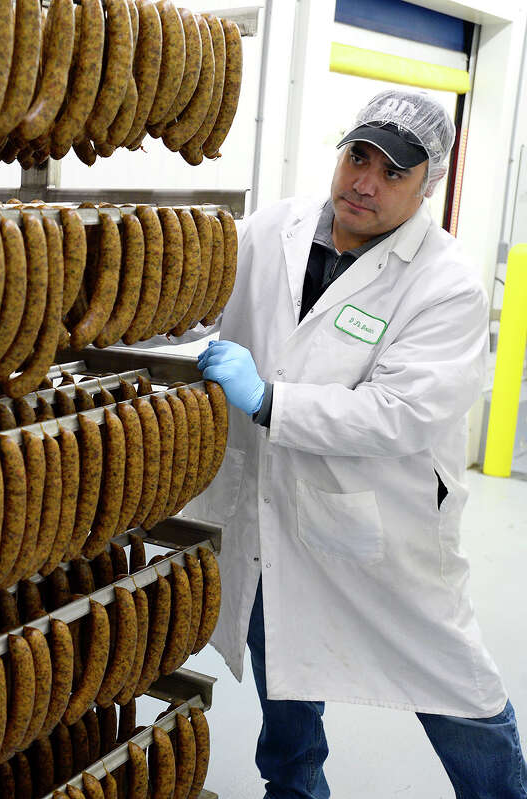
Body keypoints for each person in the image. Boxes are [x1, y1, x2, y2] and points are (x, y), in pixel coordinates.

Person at [194, 89, 527, 798]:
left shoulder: (446, 283)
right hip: (268, 504)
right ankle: (293, 789)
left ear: (428, 183)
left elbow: (398, 414)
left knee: (455, 683)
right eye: (358, 156)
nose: (364, 182)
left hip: (382, 522)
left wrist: (270, 400)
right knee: (284, 669)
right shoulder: (271, 230)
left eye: (392, 172)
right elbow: (197, 306)